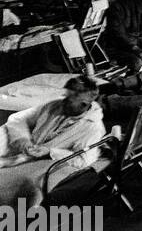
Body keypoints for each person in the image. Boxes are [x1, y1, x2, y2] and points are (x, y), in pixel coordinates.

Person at [0, 77, 106, 208]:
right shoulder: (54, 105)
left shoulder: (92, 127)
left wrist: (50, 152)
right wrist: (23, 139)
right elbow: (18, 119)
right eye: (65, 96)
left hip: (46, 161)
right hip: (25, 149)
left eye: (69, 100)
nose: (64, 101)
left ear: (84, 104)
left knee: (19, 183)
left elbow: (83, 160)